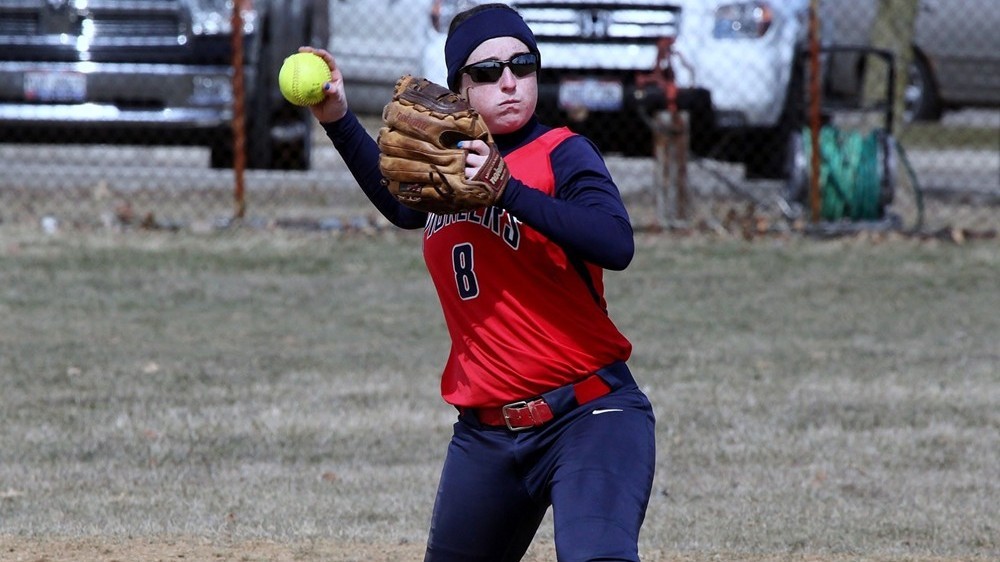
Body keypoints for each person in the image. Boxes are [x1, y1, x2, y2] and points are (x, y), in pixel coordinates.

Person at [301, 3, 655, 560]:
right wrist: (339, 117)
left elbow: (616, 243)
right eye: (487, 72)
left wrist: (507, 189)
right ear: (459, 90)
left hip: (590, 414)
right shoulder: (444, 167)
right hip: (488, 437)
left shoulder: (562, 153)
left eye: (523, 64)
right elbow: (404, 208)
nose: (509, 81)